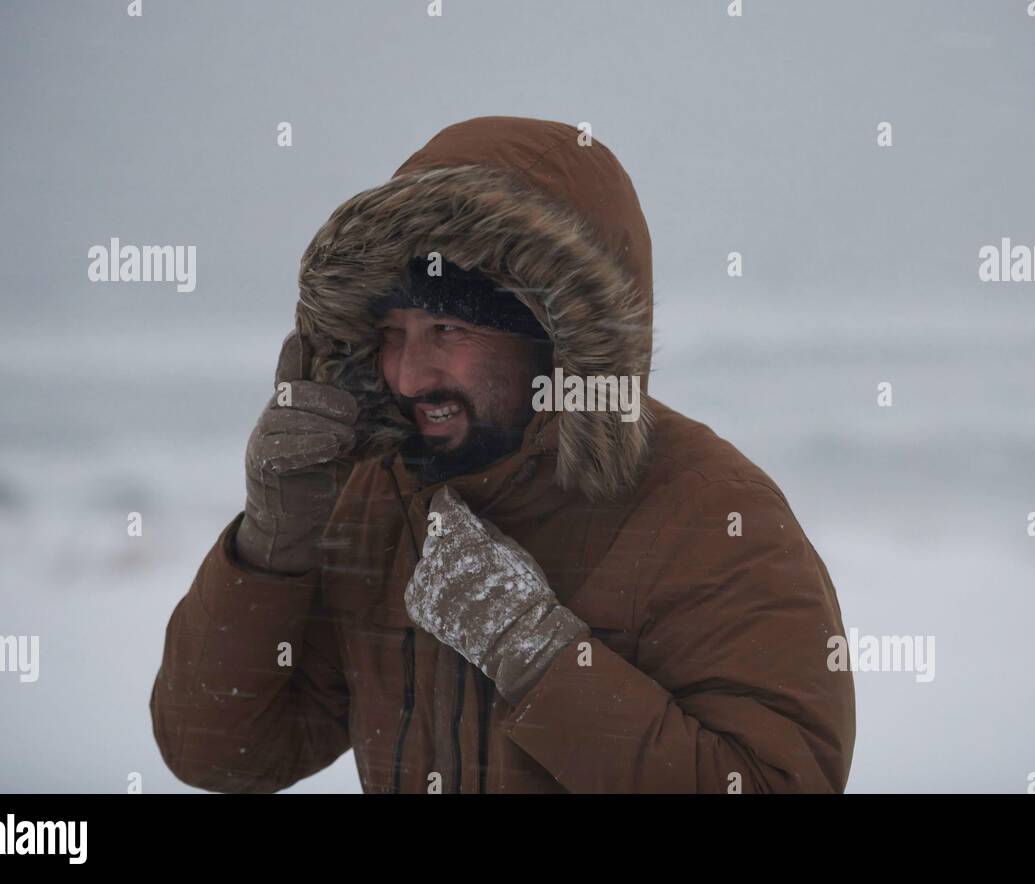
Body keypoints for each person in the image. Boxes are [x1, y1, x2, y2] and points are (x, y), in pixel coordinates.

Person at [149, 115, 856, 793]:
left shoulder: (715, 514)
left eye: (447, 329)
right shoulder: (382, 494)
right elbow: (221, 754)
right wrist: (272, 548)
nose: (406, 375)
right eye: (391, 333)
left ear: (558, 339)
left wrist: (540, 655)